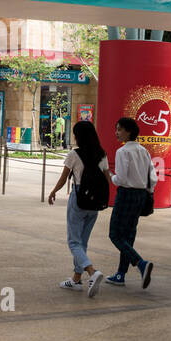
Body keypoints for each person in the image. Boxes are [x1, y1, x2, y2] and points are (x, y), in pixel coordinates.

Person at [47, 120, 107, 297]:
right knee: (82, 242)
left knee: (74, 241)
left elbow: (64, 178)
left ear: (78, 136)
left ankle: (92, 271)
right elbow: (107, 179)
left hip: (79, 198)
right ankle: (75, 279)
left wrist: (53, 192)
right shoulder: (101, 154)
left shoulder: (74, 154)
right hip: (95, 202)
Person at [105, 116, 155, 288]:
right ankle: (120, 274)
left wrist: (111, 177)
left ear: (129, 131)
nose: (117, 133)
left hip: (126, 194)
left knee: (115, 234)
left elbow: (121, 178)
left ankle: (140, 263)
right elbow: (152, 178)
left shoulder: (123, 152)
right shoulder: (144, 151)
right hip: (141, 195)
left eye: (119, 129)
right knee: (129, 234)